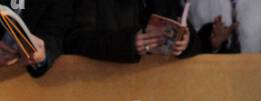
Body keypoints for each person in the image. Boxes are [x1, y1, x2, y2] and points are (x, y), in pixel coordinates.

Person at [65, 0, 203, 59]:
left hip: (156, 98)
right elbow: (75, 41)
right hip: (105, 93)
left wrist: (185, 42)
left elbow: (196, 45)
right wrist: (128, 44)